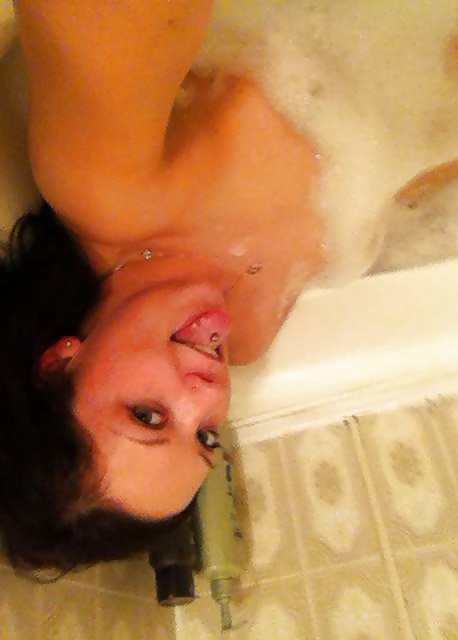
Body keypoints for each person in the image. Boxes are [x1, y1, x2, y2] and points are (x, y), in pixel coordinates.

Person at [0, 0, 324, 572]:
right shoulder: (251, 329)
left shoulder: (105, 185)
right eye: (205, 436)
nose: (208, 396)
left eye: (148, 416)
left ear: (58, 364)